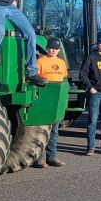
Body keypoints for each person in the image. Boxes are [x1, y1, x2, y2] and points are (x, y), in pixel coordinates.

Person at [31, 38, 69, 168]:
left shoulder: (61, 63)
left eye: (56, 49)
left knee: (55, 130)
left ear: (59, 50)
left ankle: (52, 157)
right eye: (51, 48)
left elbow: (63, 78)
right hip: (45, 98)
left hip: (56, 99)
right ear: (47, 48)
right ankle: (39, 159)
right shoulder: (40, 61)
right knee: (42, 130)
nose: (53, 50)